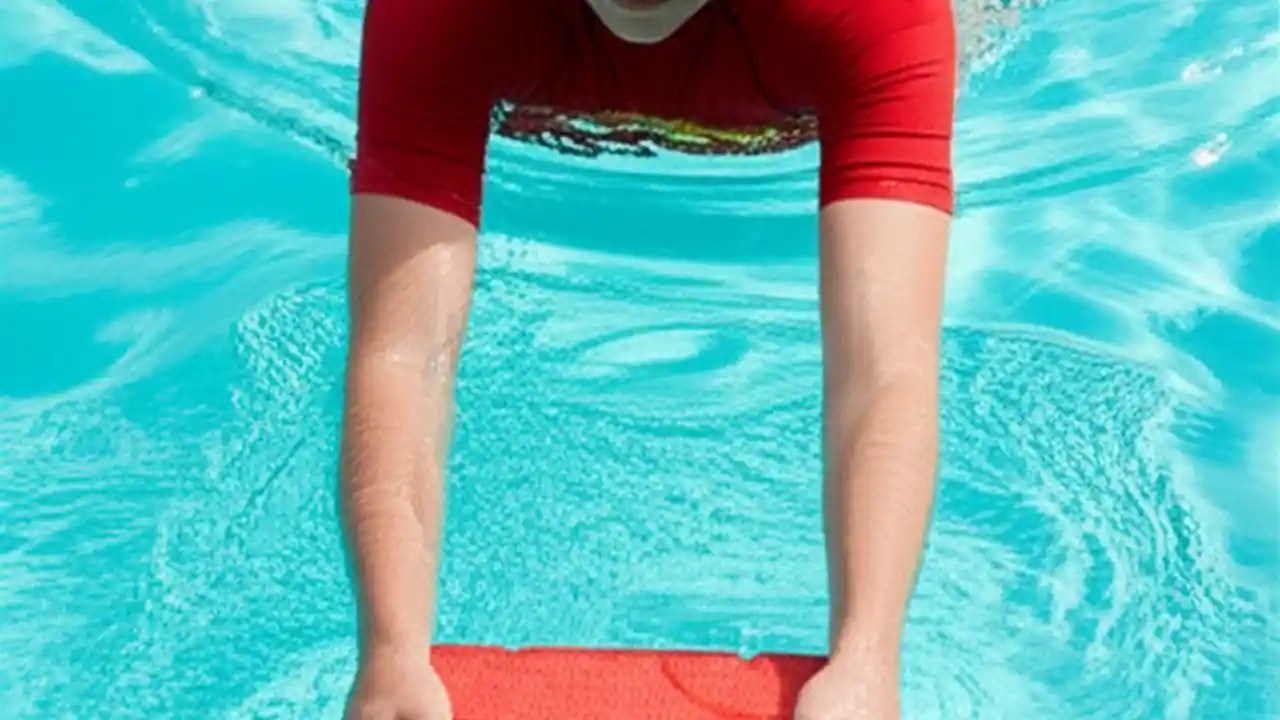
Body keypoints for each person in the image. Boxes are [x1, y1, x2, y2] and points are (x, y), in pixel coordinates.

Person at [340, 1, 955, 718]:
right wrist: (390, 651)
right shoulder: (437, 15)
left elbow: (883, 369)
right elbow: (402, 357)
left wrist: (868, 658)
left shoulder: (878, 14)